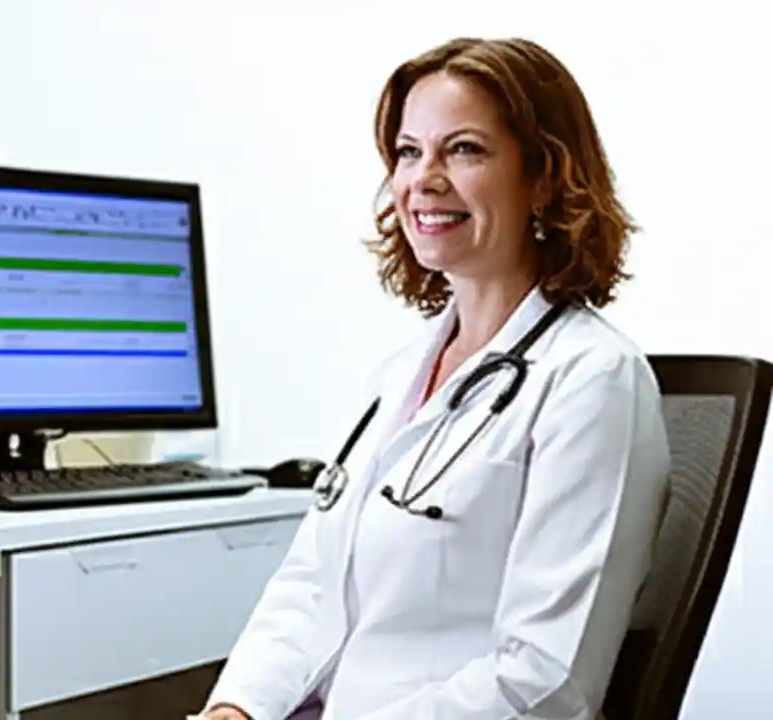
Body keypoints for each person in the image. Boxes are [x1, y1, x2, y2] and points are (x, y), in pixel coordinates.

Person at [194, 37, 671, 720]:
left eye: (465, 149)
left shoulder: (593, 381)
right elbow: (311, 588)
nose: (424, 178)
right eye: (409, 151)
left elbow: (545, 680)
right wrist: (235, 710)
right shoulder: (398, 379)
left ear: (544, 176)